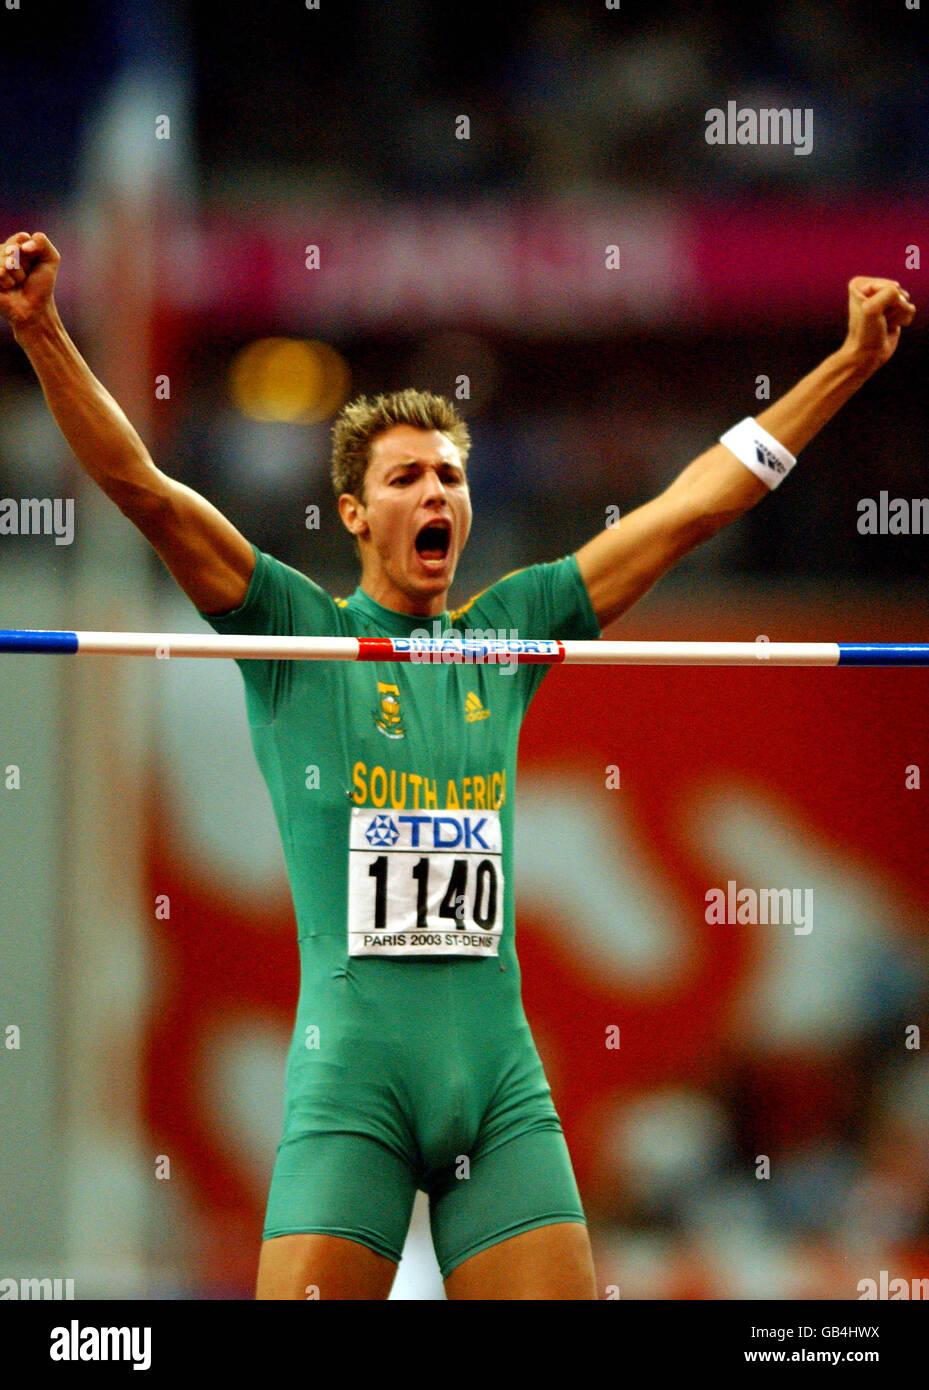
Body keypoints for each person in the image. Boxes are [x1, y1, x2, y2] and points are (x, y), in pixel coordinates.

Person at [0, 230, 915, 1300]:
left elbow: (689, 509)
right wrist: (42, 330)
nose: (436, 494)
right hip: (354, 1088)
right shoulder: (295, 633)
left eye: (450, 476)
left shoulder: (511, 627)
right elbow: (147, 493)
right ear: (353, 513)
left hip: (497, 1084)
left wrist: (847, 361)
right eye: (405, 478)